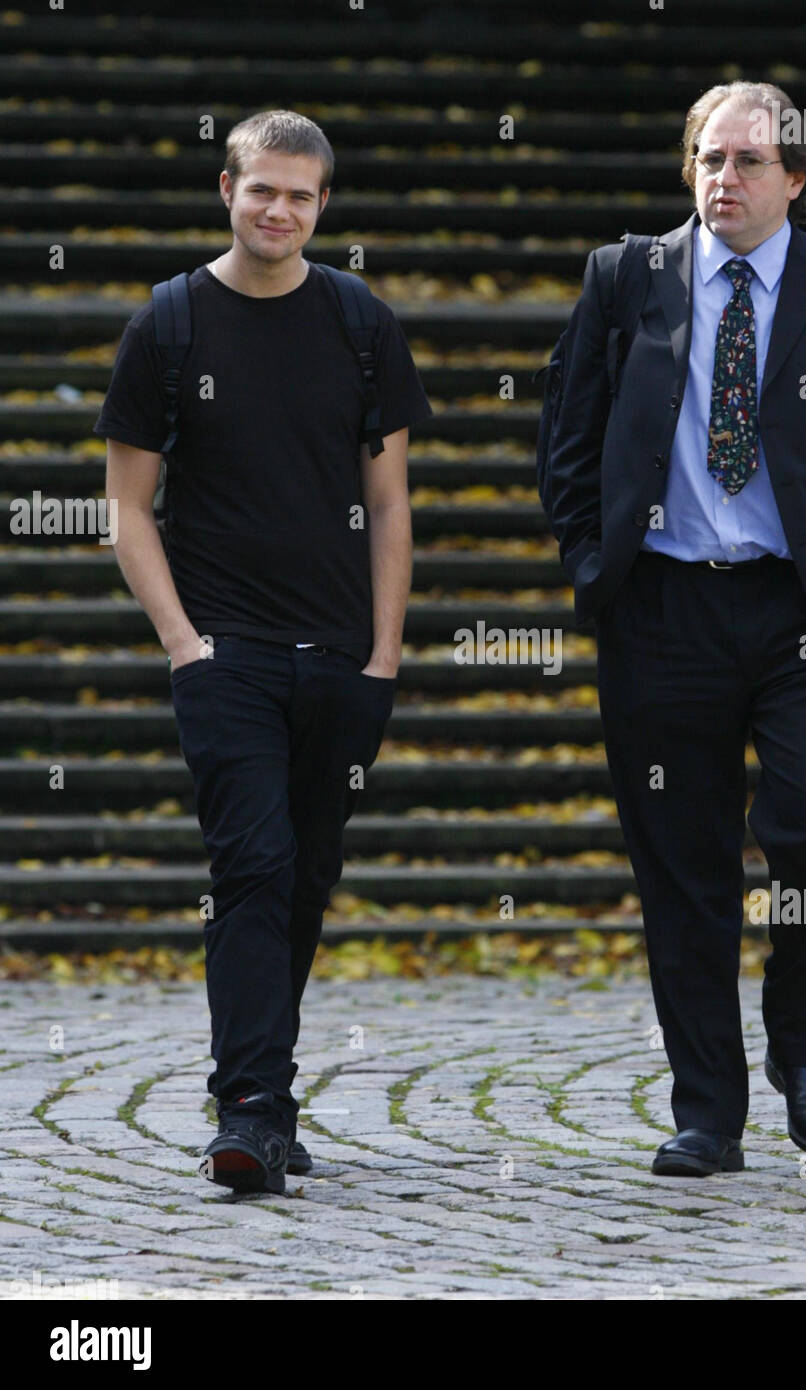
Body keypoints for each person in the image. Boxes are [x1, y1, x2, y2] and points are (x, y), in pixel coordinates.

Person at [543, 81, 806, 1176]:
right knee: (682, 861)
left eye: (750, 162)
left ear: (796, 180)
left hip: (802, 610)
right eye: (709, 160)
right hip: (662, 607)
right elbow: (566, 435)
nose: (725, 179)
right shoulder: (628, 277)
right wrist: (593, 564)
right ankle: (706, 1109)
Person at [95, 110, 433, 1194]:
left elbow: (389, 504)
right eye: (260, 191)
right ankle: (247, 1110)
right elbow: (127, 507)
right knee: (251, 867)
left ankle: (262, 1092)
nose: (278, 210)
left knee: (303, 881)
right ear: (227, 191)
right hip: (225, 653)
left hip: (339, 656)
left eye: (299, 194)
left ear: (322, 205)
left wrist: (383, 655)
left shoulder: (359, 322)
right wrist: (184, 645)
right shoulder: (169, 324)